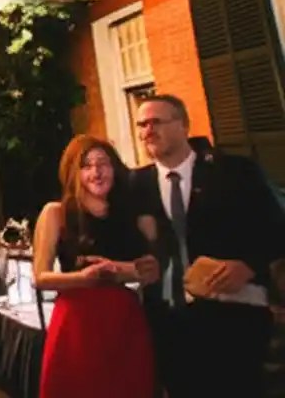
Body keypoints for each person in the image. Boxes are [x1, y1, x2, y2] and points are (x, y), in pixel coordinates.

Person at [129, 95, 285, 398]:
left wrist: (250, 264)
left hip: (234, 318)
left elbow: (276, 228)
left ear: (183, 125)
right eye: (141, 124)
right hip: (168, 323)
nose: (148, 130)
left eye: (156, 122)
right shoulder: (135, 184)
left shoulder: (235, 172)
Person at [33, 135, 159, 398]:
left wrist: (120, 269)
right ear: (73, 172)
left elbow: (152, 269)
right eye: (86, 165)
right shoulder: (56, 213)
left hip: (125, 320)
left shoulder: (130, 214)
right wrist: (83, 277)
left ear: (115, 168)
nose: (96, 172)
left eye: (103, 163)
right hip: (77, 323)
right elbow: (40, 277)